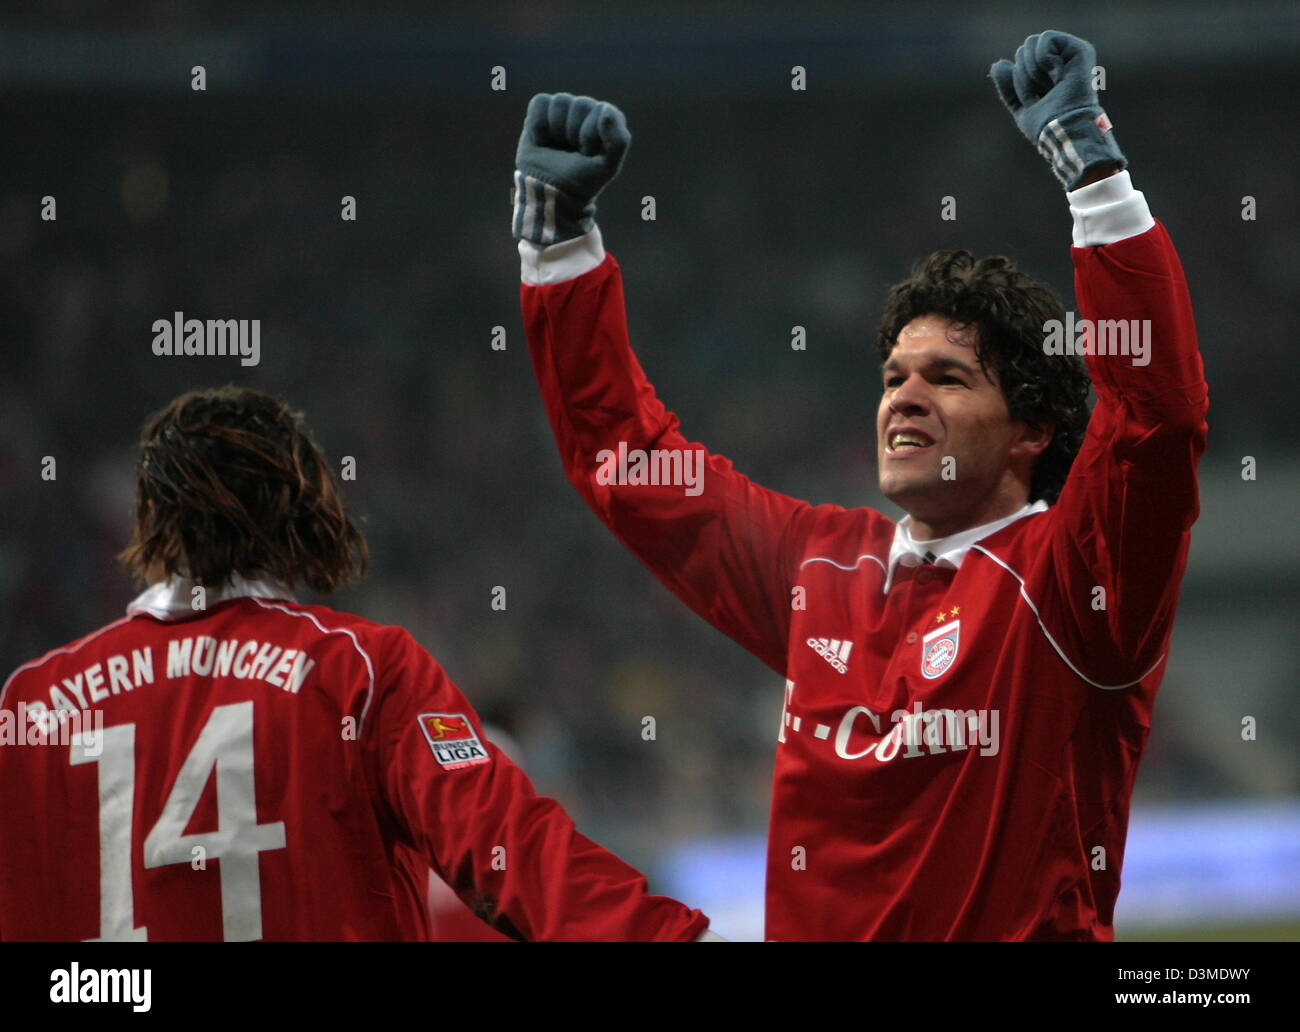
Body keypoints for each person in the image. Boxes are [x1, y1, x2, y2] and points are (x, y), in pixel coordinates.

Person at [511, 31, 1208, 940]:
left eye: (947, 379)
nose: (904, 398)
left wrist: (1096, 180)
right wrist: (558, 249)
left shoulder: (1073, 579)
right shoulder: (818, 569)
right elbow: (627, 463)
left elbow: (1158, 418)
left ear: (1030, 433)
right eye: (892, 377)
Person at [0, 386, 715, 942]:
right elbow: (514, 853)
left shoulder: (31, 703)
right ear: (301, 510)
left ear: (148, 520)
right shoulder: (363, 671)